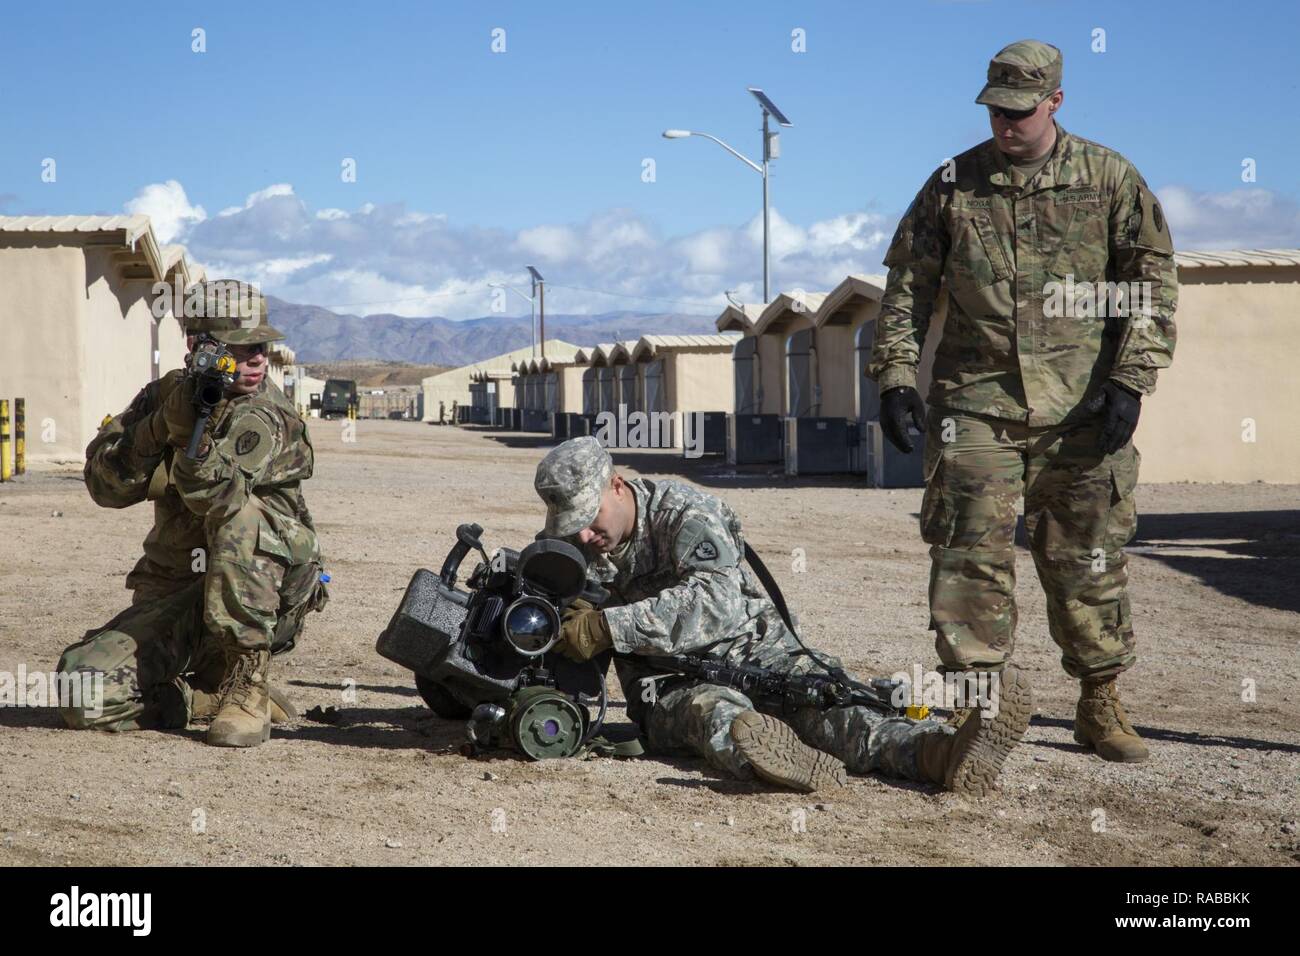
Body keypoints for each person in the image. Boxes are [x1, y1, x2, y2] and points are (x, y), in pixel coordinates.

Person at [869, 40, 1178, 762]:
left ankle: (1100, 702)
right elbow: (907, 289)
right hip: (976, 402)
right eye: (996, 111)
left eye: (1020, 111)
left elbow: (1152, 287)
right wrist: (893, 376)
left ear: (1056, 102)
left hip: (1082, 407)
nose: (1007, 125)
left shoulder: (1109, 178)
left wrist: (1132, 379)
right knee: (967, 556)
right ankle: (975, 711)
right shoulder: (952, 183)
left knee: (1088, 559)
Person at [534, 437, 1032, 794]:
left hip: (756, 649)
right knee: (717, 715)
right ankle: (784, 760)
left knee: (833, 709)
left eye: (588, 518)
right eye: (570, 525)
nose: (582, 536)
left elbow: (716, 603)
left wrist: (606, 626)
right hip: (666, 682)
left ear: (617, 485)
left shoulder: (685, 512)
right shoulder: (572, 551)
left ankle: (940, 756)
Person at [57, 281, 328, 747]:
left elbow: (216, 499)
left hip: (262, 595)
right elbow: (105, 487)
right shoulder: (166, 396)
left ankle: (246, 682)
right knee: (81, 692)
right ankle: (200, 697)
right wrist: (160, 426)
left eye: (260, 346)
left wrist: (191, 437)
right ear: (197, 346)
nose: (257, 358)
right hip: (180, 594)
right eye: (240, 348)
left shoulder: (267, 414)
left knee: (241, 520)